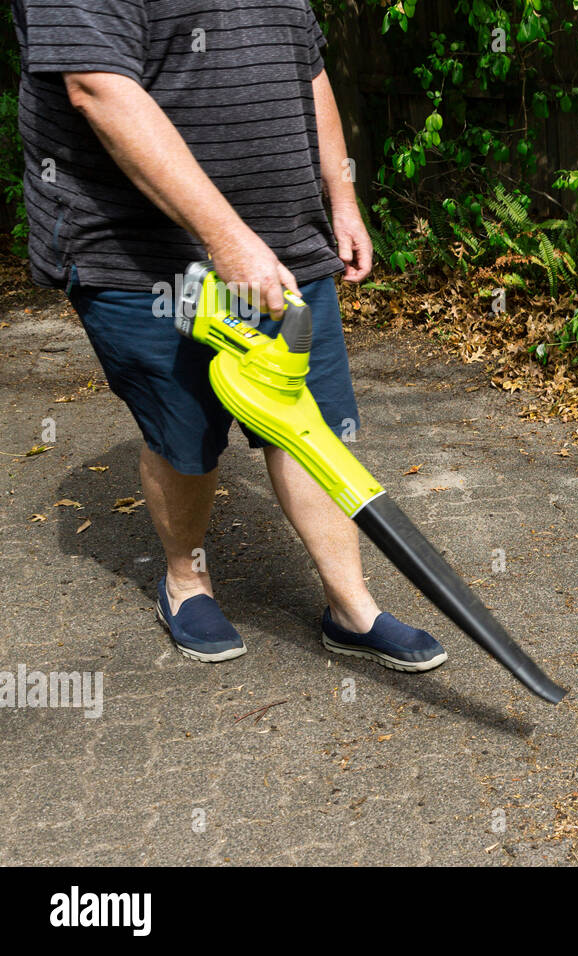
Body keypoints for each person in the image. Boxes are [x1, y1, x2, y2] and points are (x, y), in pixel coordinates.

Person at [13, 0, 447, 672]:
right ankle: (186, 580)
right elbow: (97, 86)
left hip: (283, 244)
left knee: (313, 425)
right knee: (185, 436)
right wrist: (227, 240)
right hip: (141, 259)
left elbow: (308, 66)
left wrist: (341, 193)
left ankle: (351, 607)